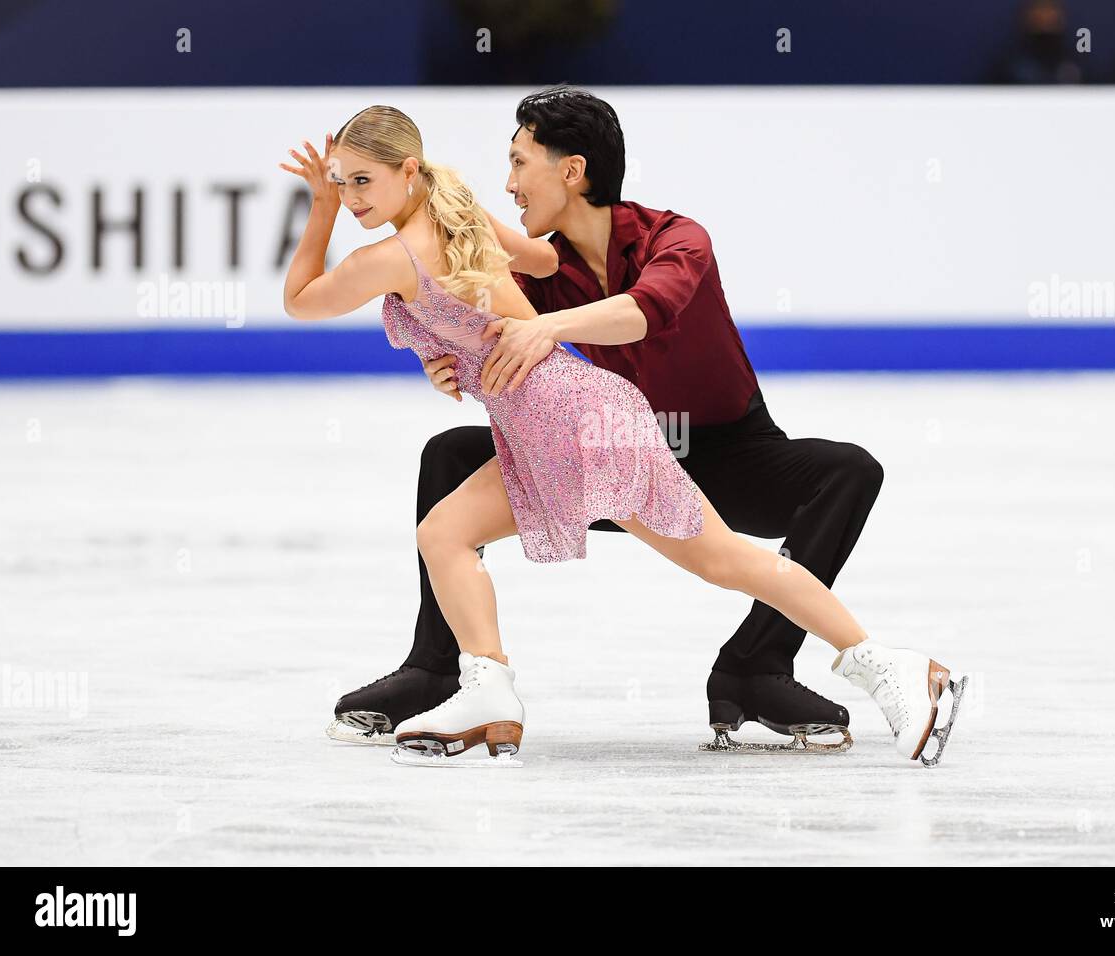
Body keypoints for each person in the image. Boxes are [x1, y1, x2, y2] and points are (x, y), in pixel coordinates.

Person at [281, 104, 966, 767]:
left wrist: (319, 208)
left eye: (359, 180)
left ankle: (895, 671)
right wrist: (457, 344)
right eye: (340, 182)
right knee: (445, 532)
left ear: (407, 171)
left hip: (577, 422)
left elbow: (300, 302)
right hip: (553, 412)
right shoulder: (460, 215)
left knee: (725, 561)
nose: (349, 194)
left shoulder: (392, 255)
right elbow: (543, 268)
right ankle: (486, 690)